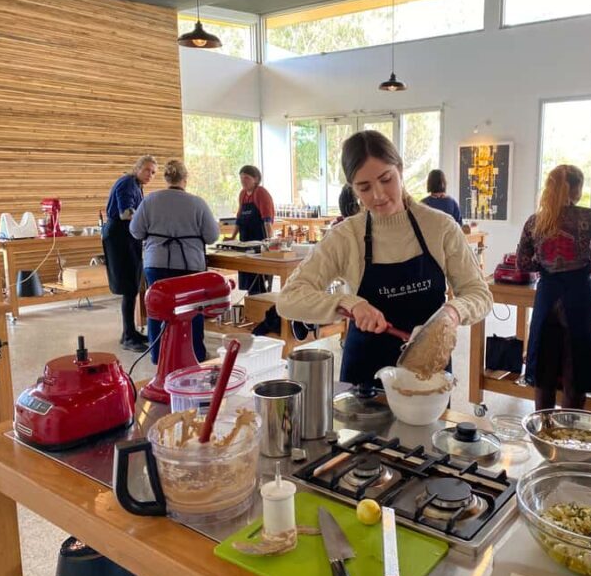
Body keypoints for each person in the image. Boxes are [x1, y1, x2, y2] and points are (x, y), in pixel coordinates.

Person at [277, 131, 492, 388]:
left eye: (386, 179)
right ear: (352, 188)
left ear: (400, 170)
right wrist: (349, 303)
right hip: (364, 378)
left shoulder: (440, 227)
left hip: (428, 374)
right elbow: (289, 299)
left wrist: (453, 313)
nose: (378, 195)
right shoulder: (346, 236)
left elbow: (480, 294)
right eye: (364, 187)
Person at [516, 165, 591, 410]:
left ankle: (543, 424)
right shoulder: (587, 217)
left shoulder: (535, 221)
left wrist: (545, 264)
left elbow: (522, 263)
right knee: (577, 369)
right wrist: (588, 265)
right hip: (578, 294)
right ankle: (570, 426)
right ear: (576, 188)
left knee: (544, 370)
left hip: (547, 295)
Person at [130, 160, 220, 364]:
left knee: (158, 308)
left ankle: (158, 355)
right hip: (189, 264)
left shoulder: (150, 200)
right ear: (185, 179)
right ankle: (195, 354)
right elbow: (212, 236)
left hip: (156, 262)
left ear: (166, 179)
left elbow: (135, 231)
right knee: (193, 309)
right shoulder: (197, 203)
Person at [102, 155, 157, 352]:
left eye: (153, 172)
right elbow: (126, 213)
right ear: (138, 168)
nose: (150, 175)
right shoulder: (127, 183)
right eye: (147, 170)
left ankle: (130, 331)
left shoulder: (137, 185)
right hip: (119, 236)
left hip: (129, 236)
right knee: (128, 287)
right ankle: (128, 336)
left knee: (133, 286)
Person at [229, 165, 275, 294]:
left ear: (256, 179)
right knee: (247, 276)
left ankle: (260, 301)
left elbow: (267, 219)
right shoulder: (243, 194)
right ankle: (251, 301)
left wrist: (269, 241)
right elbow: (239, 218)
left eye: (246, 178)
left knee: (258, 279)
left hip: (258, 241)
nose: (243, 181)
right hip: (245, 241)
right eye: (241, 178)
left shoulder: (260, 193)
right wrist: (232, 237)